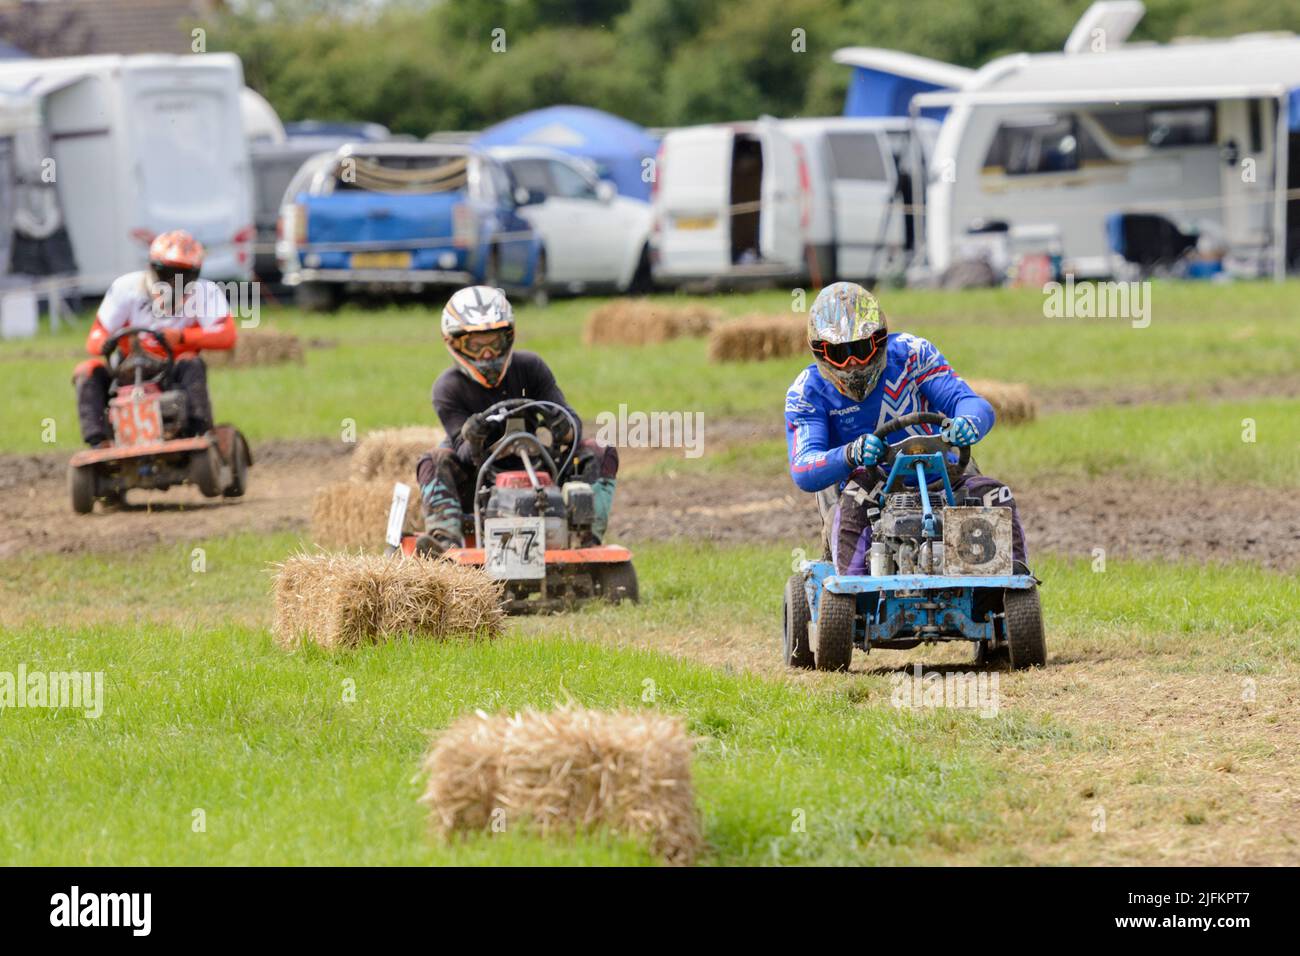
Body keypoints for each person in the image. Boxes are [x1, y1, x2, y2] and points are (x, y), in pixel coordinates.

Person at [785, 281, 1029, 575]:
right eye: (840, 354)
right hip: (865, 488)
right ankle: (853, 592)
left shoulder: (913, 355)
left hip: (942, 476)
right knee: (851, 502)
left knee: (995, 494)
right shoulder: (807, 391)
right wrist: (851, 453)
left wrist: (967, 423)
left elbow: (969, 402)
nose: (852, 364)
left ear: (879, 340)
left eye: (861, 349)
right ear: (820, 353)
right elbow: (804, 467)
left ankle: (1008, 582)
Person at [415, 285, 618, 555]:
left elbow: (573, 427)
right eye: (476, 344)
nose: (487, 353)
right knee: (433, 460)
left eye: (494, 341)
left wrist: (561, 426)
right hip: (479, 477)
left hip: (539, 466)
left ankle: (586, 538)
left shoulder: (530, 367)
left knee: (599, 452)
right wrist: (474, 436)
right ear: (454, 343)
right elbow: (462, 451)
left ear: (508, 337)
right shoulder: (448, 388)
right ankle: (445, 543)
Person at [73, 230, 236, 446]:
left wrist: (182, 337)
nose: (175, 283)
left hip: (173, 372)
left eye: (184, 276)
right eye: (168, 274)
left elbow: (226, 336)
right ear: (153, 268)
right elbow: (95, 336)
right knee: (86, 370)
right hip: (126, 369)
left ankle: (198, 434)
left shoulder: (206, 292)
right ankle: (99, 442)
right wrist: (107, 342)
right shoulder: (126, 288)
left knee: (191, 362)